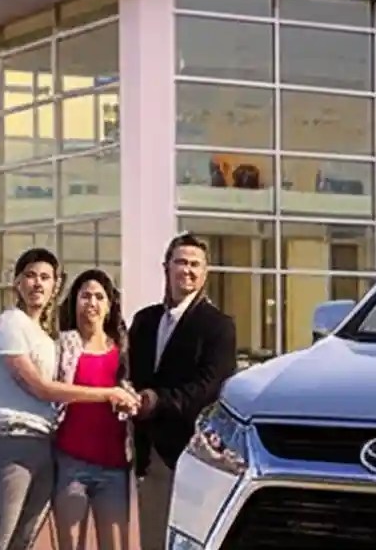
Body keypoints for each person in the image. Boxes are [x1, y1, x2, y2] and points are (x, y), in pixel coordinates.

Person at [0, 248, 140, 550]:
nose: (38, 283)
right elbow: (42, 387)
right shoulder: (12, 324)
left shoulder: (45, 338)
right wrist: (108, 394)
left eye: (45, 277)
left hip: (48, 446)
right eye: (30, 276)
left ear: (55, 286)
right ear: (17, 283)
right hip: (14, 440)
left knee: (21, 541)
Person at [128, 234, 237, 550]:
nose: (187, 270)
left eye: (195, 264)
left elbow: (209, 386)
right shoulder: (145, 321)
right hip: (147, 454)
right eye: (180, 262)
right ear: (166, 267)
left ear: (205, 273)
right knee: (150, 539)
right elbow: (131, 374)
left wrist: (156, 401)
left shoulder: (218, 326)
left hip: (192, 452)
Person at [52, 269, 141, 550]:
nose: (92, 302)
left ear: (110, 304)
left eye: (99, 296)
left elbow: (137, 396)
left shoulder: (124, 351)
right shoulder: (63, 347)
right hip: (70, 463)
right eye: (85, 295)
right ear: (75, 301)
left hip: (114, 467)